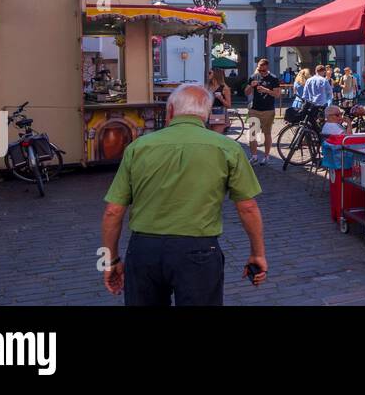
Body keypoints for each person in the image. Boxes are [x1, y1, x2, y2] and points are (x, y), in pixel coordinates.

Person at [101, 85, 266, 305]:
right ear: (206, 114)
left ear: (170, 110)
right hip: (198, 251)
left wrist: (108, 261)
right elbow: (248, 207)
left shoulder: (138, 147)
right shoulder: (227, 148)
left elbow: (113, 211)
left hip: (144, 250)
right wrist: (258, 253)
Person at [246, 58, 282, 165]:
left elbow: (277, 94)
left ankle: (266, 156)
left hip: (268, 110)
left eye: (263, 71)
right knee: (253, 133)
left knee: (267, 133)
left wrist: (266, 90)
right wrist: (251, 86)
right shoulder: (253, 77)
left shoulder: (273, 78)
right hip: (254, 109)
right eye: (259, 70)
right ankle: (254, 156)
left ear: (267, 68)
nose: (261, 73)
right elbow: (247, 92)